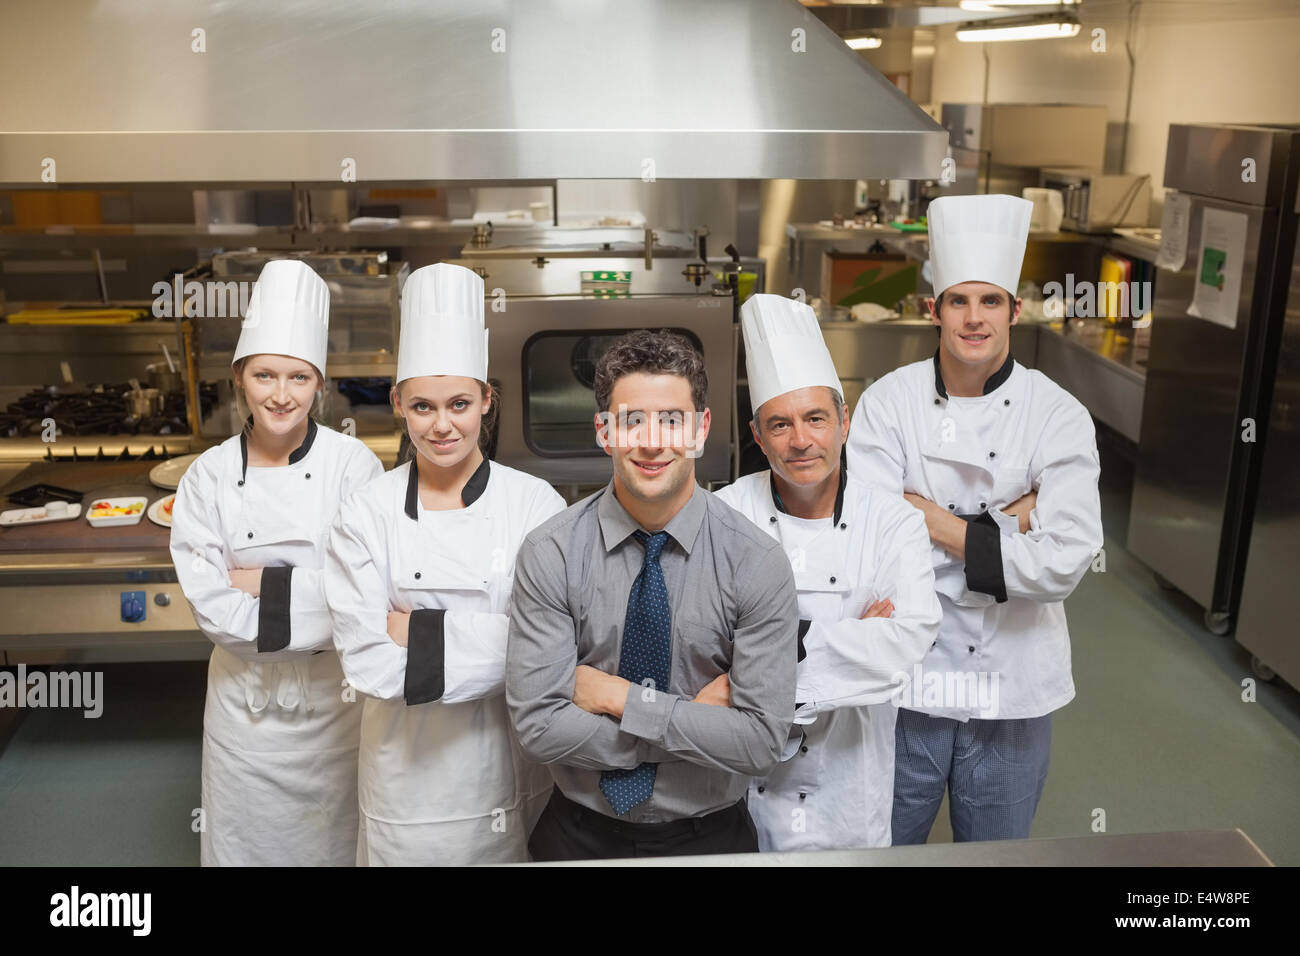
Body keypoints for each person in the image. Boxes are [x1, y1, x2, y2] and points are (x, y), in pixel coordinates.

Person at [846, 194, 1104, 844]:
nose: (974, 318)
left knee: (996, 858)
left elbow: (1064, 564)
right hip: (908, 682)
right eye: (958, 300)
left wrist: (934, 520)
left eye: (990, 301)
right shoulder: (888, 404)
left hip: (1013, 686)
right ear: (934, 309)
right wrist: (1010, 522)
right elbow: (871, 546)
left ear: (1014, 311)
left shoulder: (1058, 415)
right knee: (887, 847)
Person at [506, 329, 798, 860]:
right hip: (578, 837)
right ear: (604, 431)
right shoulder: (551, 553)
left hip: (712, 840)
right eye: (631, 420)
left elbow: (759, 744)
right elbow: (539, 728)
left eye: (671, 419)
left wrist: (619, 700)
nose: (652, 440)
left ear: (701, 429)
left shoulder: (756, 561)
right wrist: (691, 722)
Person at [325, 263, 564, 865]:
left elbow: (553, 650)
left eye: (459, 403)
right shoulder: (365, 512)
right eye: (423, 406)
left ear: (486, 399)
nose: (442, 425)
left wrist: (414, 625)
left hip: (505, 773)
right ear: (399, 403)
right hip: (404, 783)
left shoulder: (535, 504)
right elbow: (367, 665)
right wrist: (497, 636)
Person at [170, 259, 383, 866]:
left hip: (335, 710)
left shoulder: (354, 467)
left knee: (335, 844)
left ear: (321, 384)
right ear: (240, 377)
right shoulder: (206, 477)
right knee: (246, 846)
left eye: (298, 377)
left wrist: (258, 581)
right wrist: (316, 592)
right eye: (265, 375)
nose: (281, 395)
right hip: (244, 714)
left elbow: (365, 599)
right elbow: (211, 609)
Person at [715, 293, 941, 851]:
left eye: (816, 418)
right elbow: (700, 647)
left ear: (844, 420)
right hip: (743, 785)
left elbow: (902, 650)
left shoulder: (893, 522)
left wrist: (757, 657)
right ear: (757, 434)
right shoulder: (725, 513)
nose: (800, 440)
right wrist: (853, 638)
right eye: (780, 424)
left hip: (851, 782)